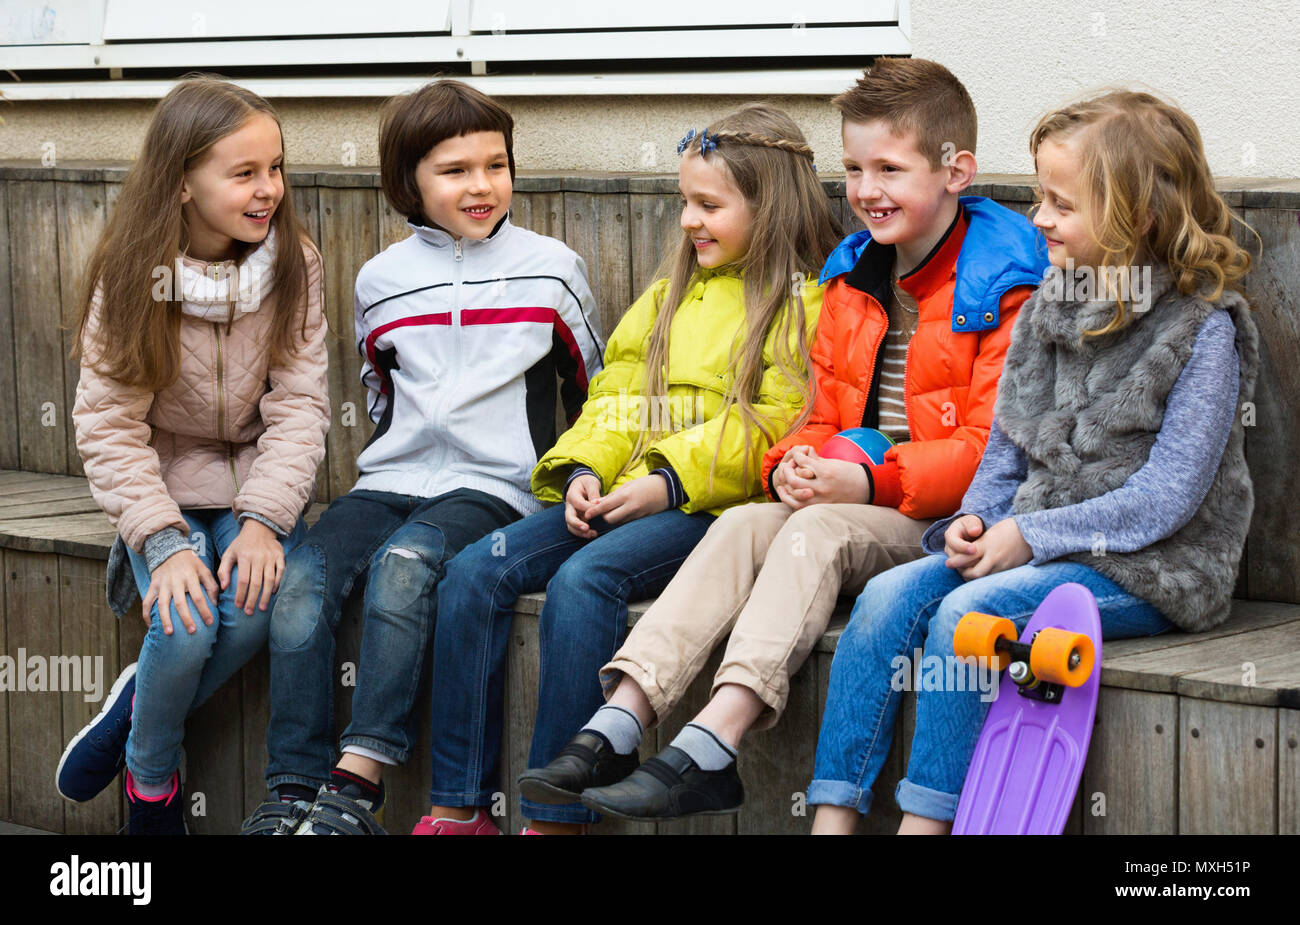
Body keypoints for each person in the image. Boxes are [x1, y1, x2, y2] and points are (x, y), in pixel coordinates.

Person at [526, 58, 1046, 822]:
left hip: (944, 518)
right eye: (855, 168)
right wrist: (793, 463)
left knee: (816, 528)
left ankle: (713, 741)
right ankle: (619, 718)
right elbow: (816, 416)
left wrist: (864, 484)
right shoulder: (853, 277)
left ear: (956, 170)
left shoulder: (1003, 284)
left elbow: (990, 447)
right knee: (742, 521)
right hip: (852, 491)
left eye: (890, 169)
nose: (867, 190)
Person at [810, 89, 1259, 835]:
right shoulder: (1052, 301)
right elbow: (1007, 444)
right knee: (889, 598)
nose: (1037, 219)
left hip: (1153, 568)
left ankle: (925, 826)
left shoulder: (1201, 329)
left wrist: (1029, 537)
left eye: (1060, 204)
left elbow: (1166, 497)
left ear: (1136, 215)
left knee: (965, 615)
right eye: (1039, 198)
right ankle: (832, 820)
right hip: (1034, 544)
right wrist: (978, 519)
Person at [418, 103, 840, 834]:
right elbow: (615, 391)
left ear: (767, 208)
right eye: (685, 202)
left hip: (706, 507)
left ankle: (553, 816)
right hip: (626, 488)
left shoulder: (805, 301)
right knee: (472, 572)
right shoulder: (672, 288)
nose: (687, 221)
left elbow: (772, 421)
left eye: (708, 206)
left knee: (588, 579)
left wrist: (665, 481)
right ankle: (457, 807)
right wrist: (585, 466)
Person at [239, 79, 603, 835]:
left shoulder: (551, 269)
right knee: (301, 574)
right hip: (392, 478)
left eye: (495, 165)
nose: (482, 185)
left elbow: (593, 390)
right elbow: (383, 396)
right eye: (455, 170)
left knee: (406, 565)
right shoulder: (381, 280)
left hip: (496, 486)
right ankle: (293, 786)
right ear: (409, 181)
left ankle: (357, 781)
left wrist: (572, 475)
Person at [56, 76, 330, 835]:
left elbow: (301, 406)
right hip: (163, 485)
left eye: (275, 167)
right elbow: (110, 425)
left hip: (257, 485)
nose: (267, 188)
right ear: (181, 181)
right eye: (243, 173)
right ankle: (153, 783)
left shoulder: (294, 267)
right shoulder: (131, 275)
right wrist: (163, 539)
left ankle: (139, 711)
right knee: (184, 621)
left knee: (249, 608)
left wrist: (266, 522)